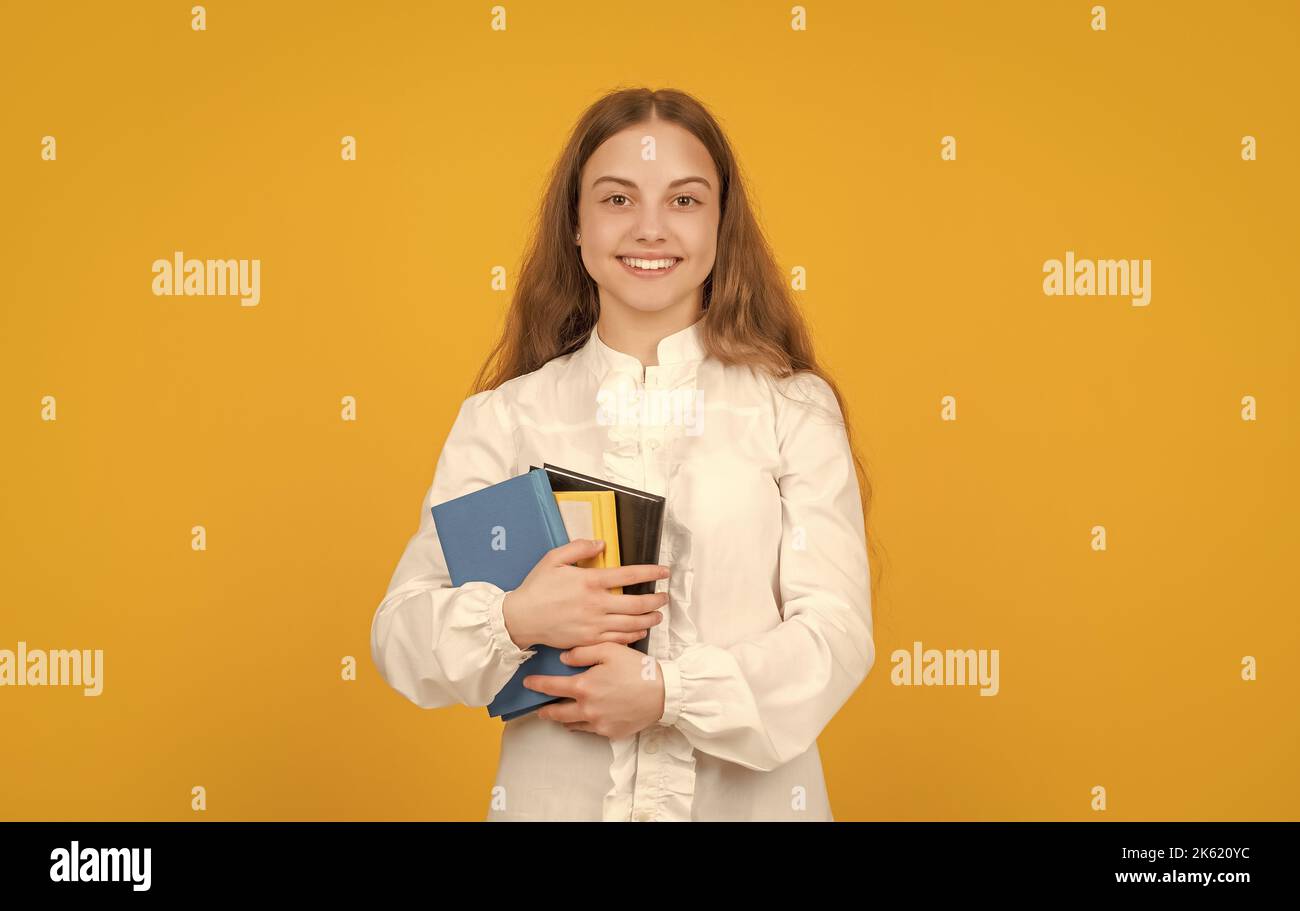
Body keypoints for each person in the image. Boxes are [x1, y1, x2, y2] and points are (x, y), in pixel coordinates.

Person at [369, 87, 878, 822]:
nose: (649, 228)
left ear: (721, 225)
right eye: (616, 199)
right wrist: (517, 617)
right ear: (576, 226)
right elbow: (401, 632)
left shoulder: (792, 409)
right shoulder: (507, 419)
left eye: (684, 200)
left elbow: (835, 635)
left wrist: (667, 691)